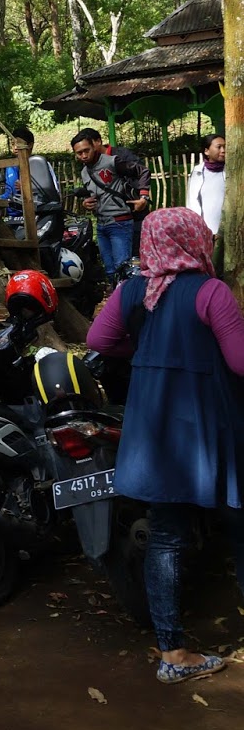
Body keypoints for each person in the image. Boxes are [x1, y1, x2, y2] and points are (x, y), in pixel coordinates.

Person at [87, 207, 244, 684]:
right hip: (208, 424)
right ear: (194, 241)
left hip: (154, 428)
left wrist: (147, 354)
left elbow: (98, 338)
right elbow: (239, 362)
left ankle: (172, 653)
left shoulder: (134, 290)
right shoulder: (210, 292)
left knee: (167, 535)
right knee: (238, 520)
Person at [71, 127, 149, 279]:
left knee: (123, 268)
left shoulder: (112, 161)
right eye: (79, 153)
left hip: (120, 222)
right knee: (110, 271)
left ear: (95, 146)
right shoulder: (84, 172)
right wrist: (87, 203)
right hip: (101, 225)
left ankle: (129, 300)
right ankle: (117, 300)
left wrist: (143, 197)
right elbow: (95, 194)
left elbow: (142, 171)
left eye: (87, 150)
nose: (84, 155)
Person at [5, 126, 64, 275]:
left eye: (18, 143)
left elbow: (52, 192)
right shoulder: (10, 167)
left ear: (30, 145)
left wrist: (27, 188)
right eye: (13, 144)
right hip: (14, 218)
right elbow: (8, 193)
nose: (15, 147)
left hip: (37, 217)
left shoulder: (40, 165)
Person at [186, 133, 226, 236]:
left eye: (225, 147)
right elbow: (192, 201)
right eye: (219, 147)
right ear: (206, 151)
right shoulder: (197, 172)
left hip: (229, 229)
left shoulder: (232, 172)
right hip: (205, 231)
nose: (223, 150)